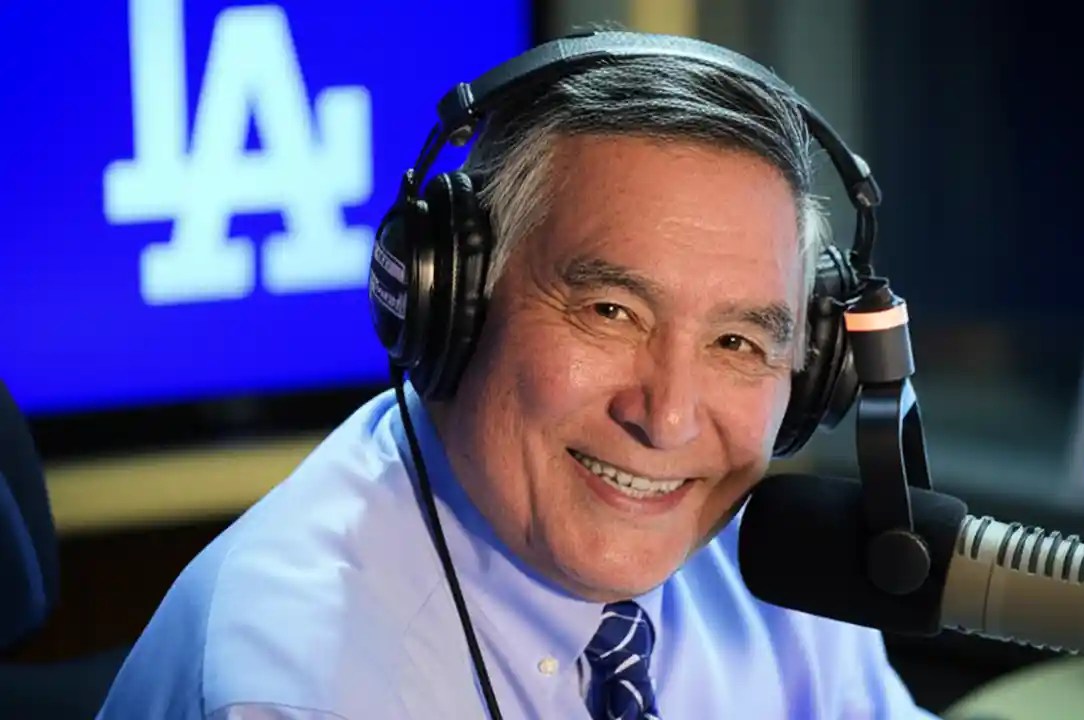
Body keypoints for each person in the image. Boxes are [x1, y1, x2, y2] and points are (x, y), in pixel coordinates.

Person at [98, 32, 939, 720]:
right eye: (610, 312)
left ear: (816, 371)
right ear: (450, 306)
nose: (671, 418)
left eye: (737, 344)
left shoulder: (769, 573)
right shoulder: (294, 687)